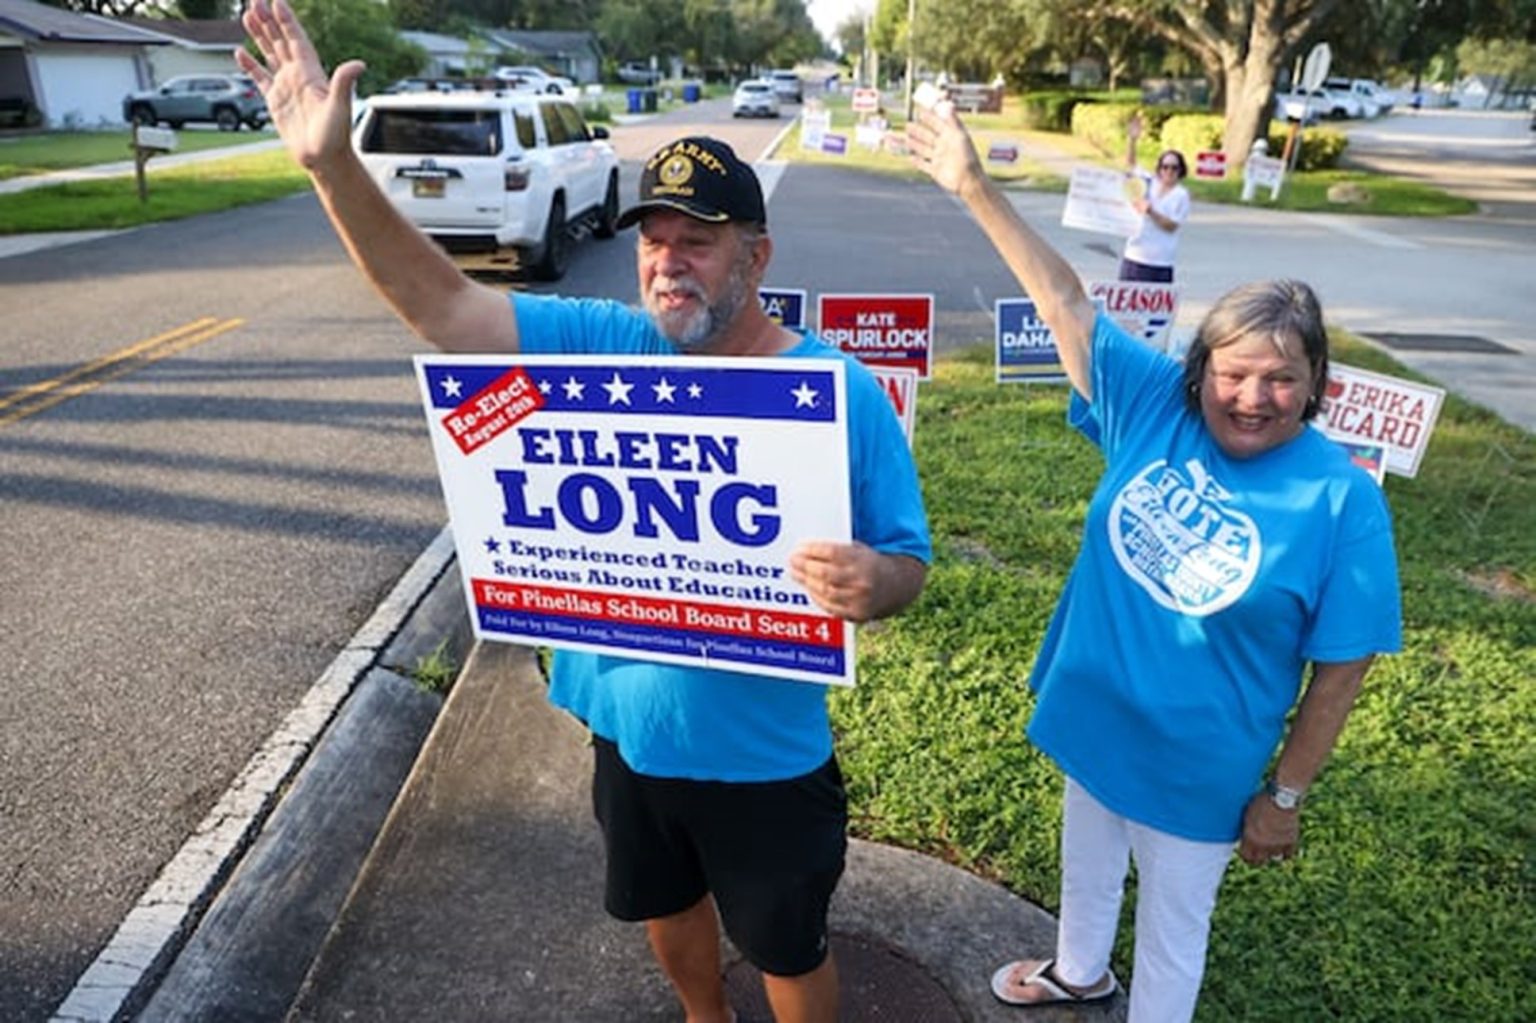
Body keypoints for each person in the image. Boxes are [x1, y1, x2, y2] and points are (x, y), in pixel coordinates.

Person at [237, 3, 931, 1021]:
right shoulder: (606, 343)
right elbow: (444, 309)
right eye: (654, 240)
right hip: (626, 731)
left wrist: (876, 584)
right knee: (661, 905)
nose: (666, 263)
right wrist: (332, 168)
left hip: (764, 754)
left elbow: (908, 562)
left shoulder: (840, 393)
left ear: (758, 256)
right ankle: (704, 1016)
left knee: (787, 944)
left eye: (698, 241)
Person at [906, 101, 1401, 1021]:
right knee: (1084, 865)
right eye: (1234, 371)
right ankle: (1078, 969)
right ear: (1198, 368)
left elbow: (1341, 673)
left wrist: (1285, 796)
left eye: (1282, 378)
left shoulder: (1343, 499)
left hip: (1199, 765)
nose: (1253, 397)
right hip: (1097, 710)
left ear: (1316, 386)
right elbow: (1063, 300)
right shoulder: (1156, 408)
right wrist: (974, 187)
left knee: (1175, 935)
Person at [1119, 111, 1190, 283]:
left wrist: (1151, 211)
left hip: (1161, 262)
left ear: (1180, 171)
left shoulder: (1181, 195)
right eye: (1165, 167)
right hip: (1135, 256)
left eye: (1174, 168)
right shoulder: (1149, 182)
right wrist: (1132, 139)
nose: (1169, 171)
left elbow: (1172, 226)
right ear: (1159, 168)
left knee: (1156, 310)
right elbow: (1130, 166)